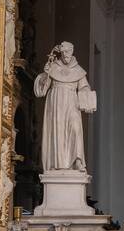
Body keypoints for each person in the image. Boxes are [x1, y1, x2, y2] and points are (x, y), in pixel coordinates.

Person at [34, 42, 97, 172]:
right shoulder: (53, 67)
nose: (67, 57)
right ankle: (57, 164)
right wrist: (45, 74)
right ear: (61, 54)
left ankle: (78, 160)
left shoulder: (78, 70)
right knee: (58, 131)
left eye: (69, 54)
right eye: (65, 54)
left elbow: (84, 86)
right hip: (56, 103)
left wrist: (86, 95)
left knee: (75, 128)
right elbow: (42, 90)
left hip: (71, 102)